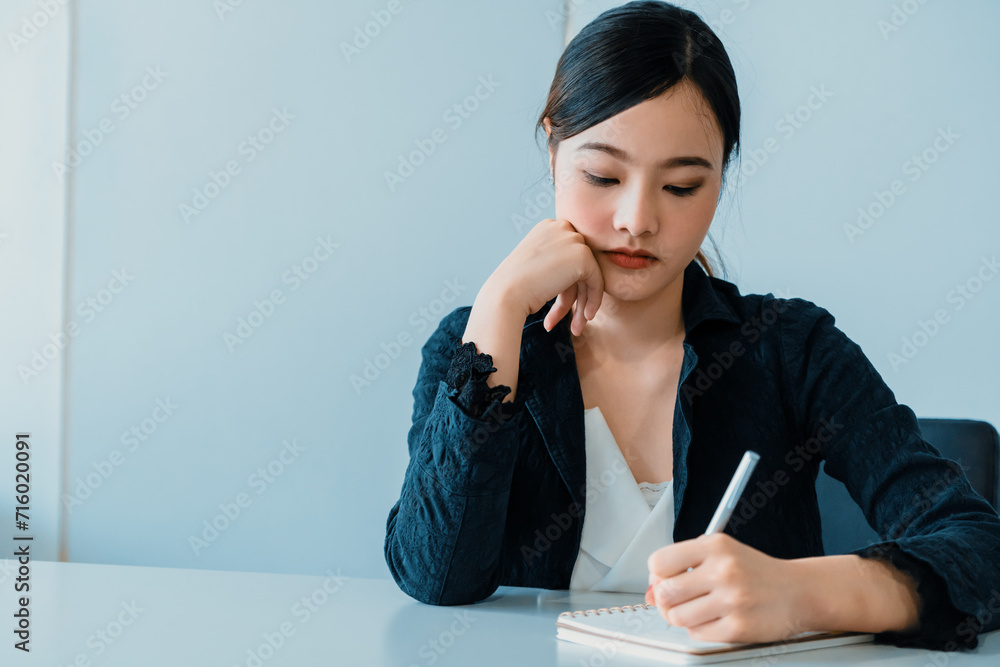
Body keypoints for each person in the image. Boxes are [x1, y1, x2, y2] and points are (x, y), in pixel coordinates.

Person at [384, 0, 1000, 651]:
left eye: (681, 186)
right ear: (552, 148)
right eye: (602, 174)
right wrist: (502, 301)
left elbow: (980, 549)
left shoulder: (791, 349)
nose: (637, 218)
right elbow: (436, 577)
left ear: (722, 175)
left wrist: (802, 593)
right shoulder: (481, 341)